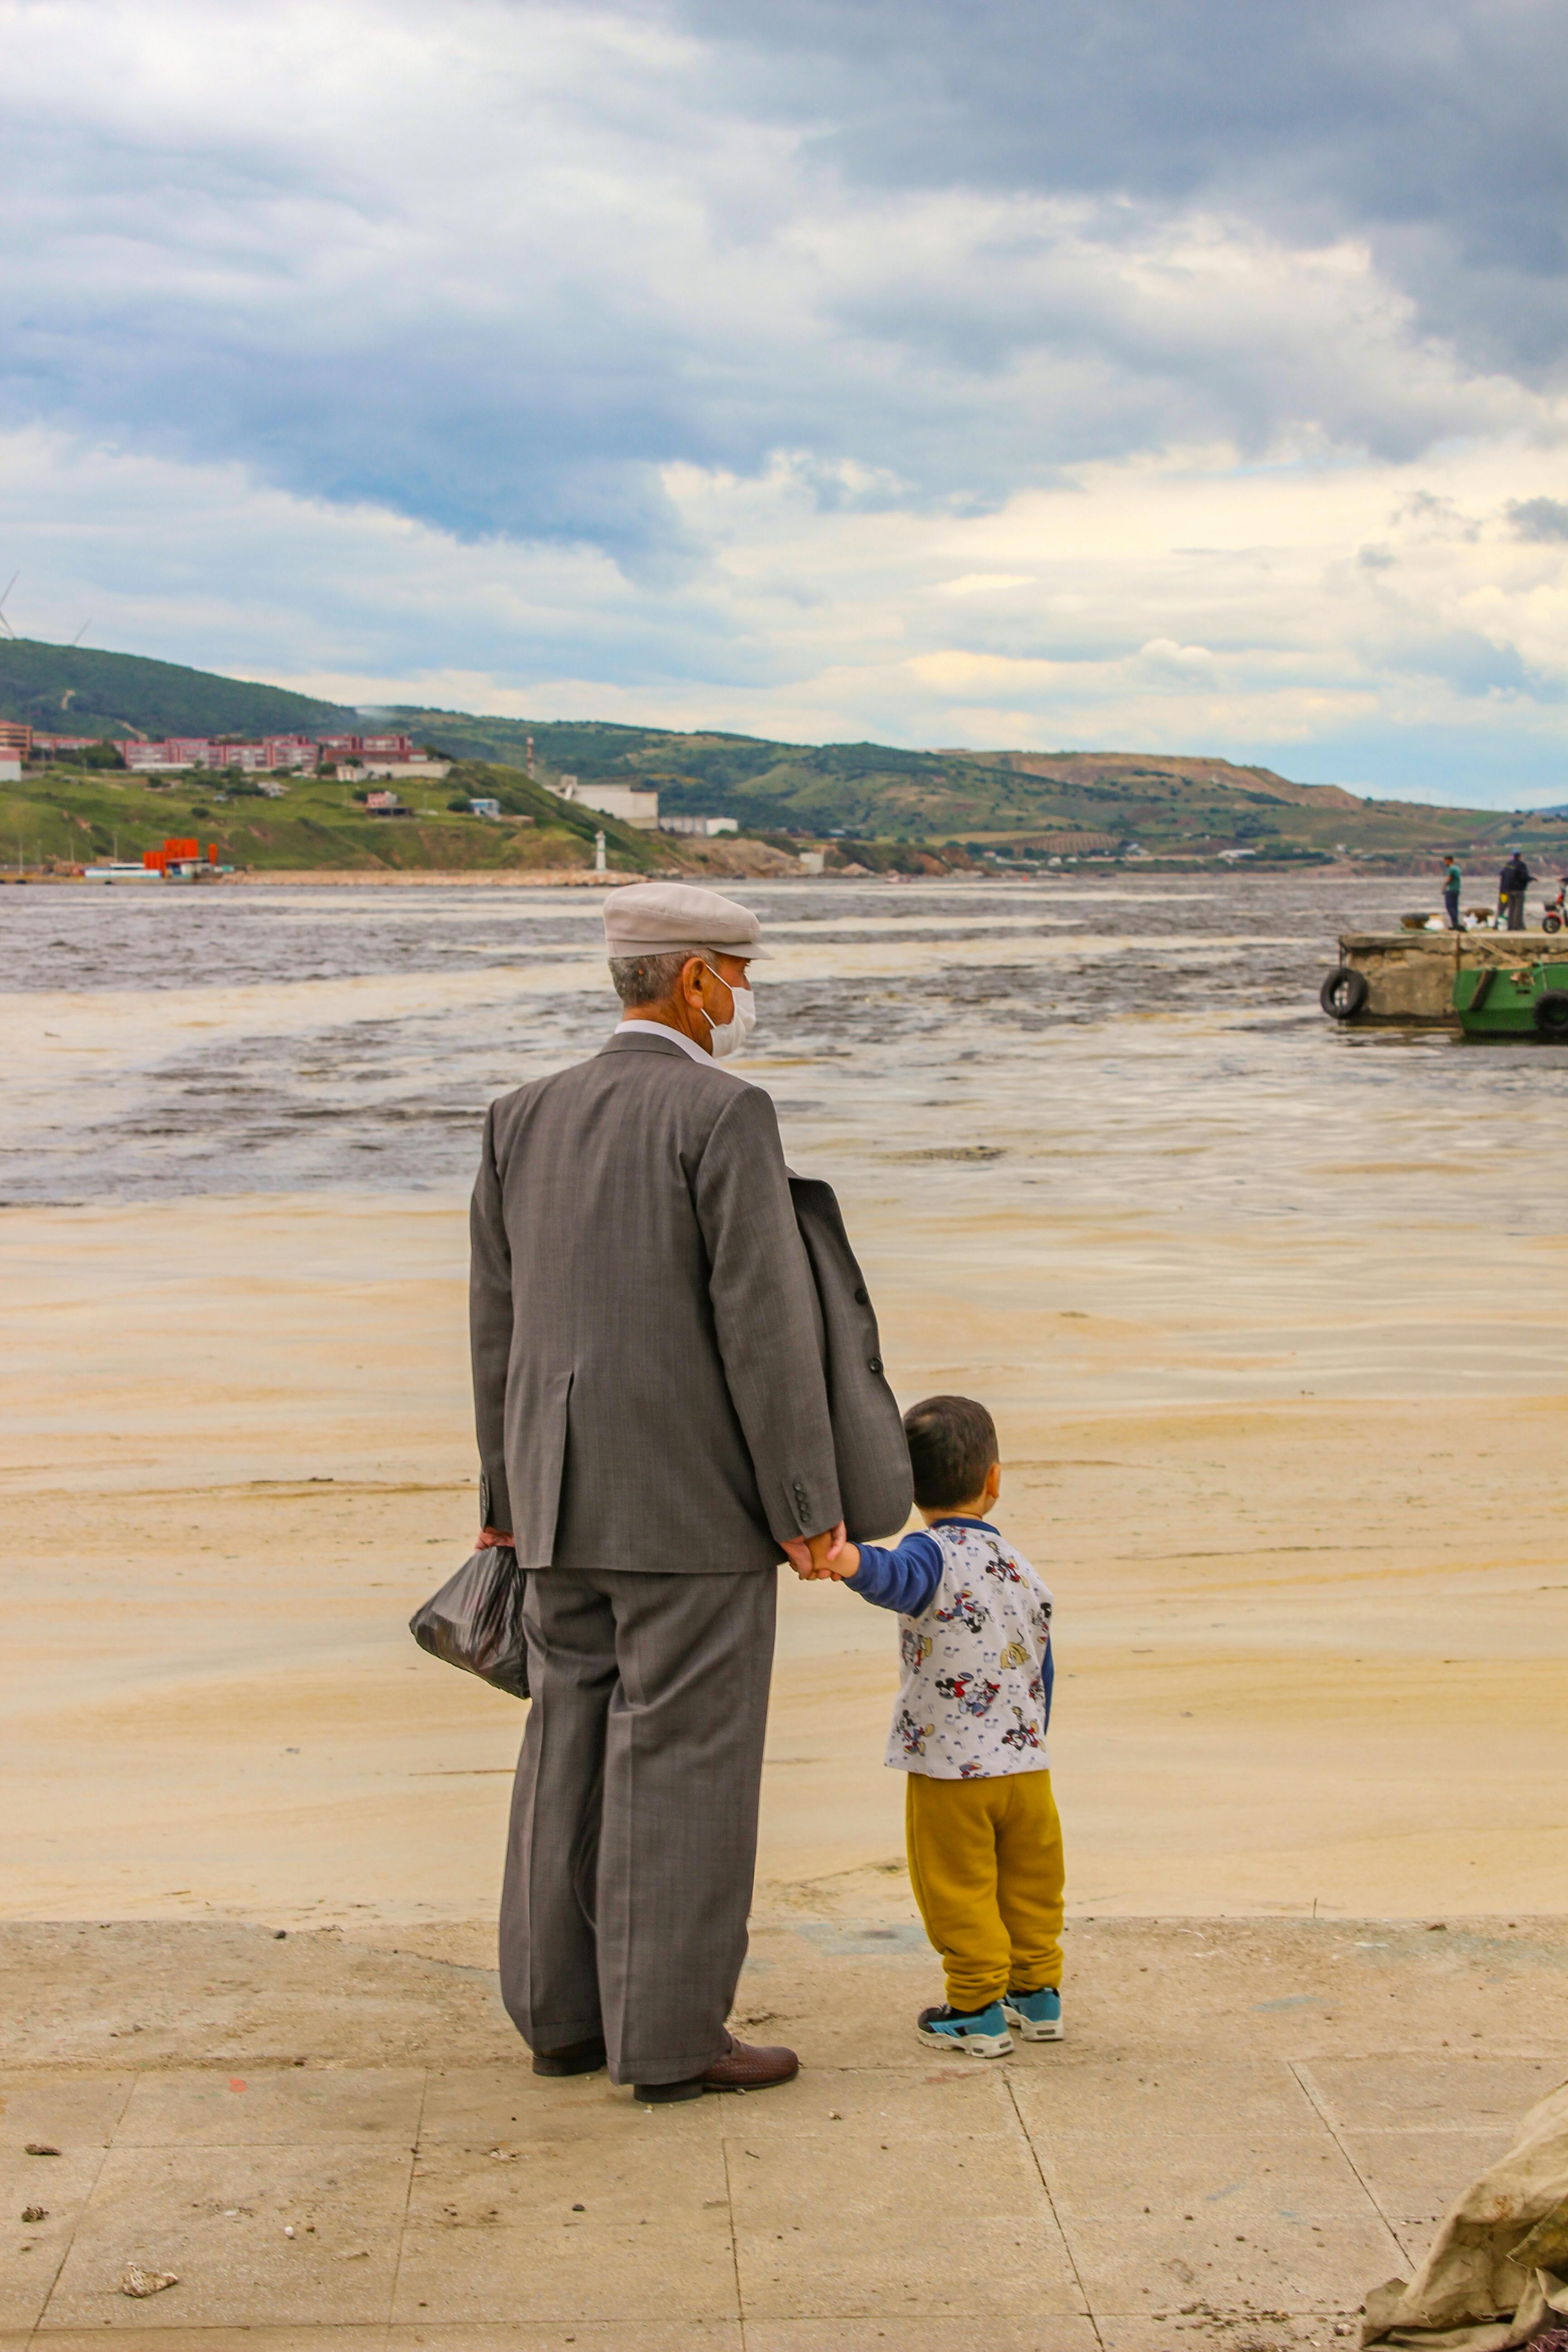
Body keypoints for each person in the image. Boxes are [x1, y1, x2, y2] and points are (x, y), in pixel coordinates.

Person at [469, 880, 886, 2105]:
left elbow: (497, 1325)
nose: (744, 1001)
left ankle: (559, 2019)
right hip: (695, 1511)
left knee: (567, 1749)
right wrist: (807, 1504)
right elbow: (760, 1326)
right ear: (697, 979)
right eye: (740, 979)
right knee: (686, 1766)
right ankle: (669, 2039)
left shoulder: (520, 1116)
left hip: (553, 1504)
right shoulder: (724, 1115)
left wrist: (504, 1493)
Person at [798, 1393, 1063, 2059]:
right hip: (1027, 1770)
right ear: (994, 1479)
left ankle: (976, 2007)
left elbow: (894, 1578)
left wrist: (844, 1556)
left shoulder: (930, 1554)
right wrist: (1032, 1739)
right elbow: (1041, 1666)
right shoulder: (1022, 1569)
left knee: (957, 1886)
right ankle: (1038, 1996)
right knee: (1032, 1885)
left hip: (951, 1770)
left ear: (906, 1486)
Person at [1499, 850, 1532, 931]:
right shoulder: (1522, 865)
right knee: (1519, 908)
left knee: (1511, 908)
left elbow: (1502, 874)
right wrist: (1531, 879)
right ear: (1520, 856)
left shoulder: (1508, 864)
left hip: (1508, 890)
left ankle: (1510, 926)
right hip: (1518, 890)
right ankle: (1518, 926)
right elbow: (1524, 877)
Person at [1441, 854, 1462, 931]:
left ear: (1448, 861)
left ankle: (1455, 924)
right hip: (1457, 890)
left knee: (1449, 907)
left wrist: (1444, 888)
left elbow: (1448, 880)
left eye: (1445, 862)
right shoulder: (1457, 868)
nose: (1445, 863)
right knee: (1455, 907)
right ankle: (1455, 923)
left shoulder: (1451, 869)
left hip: (1451, 890)